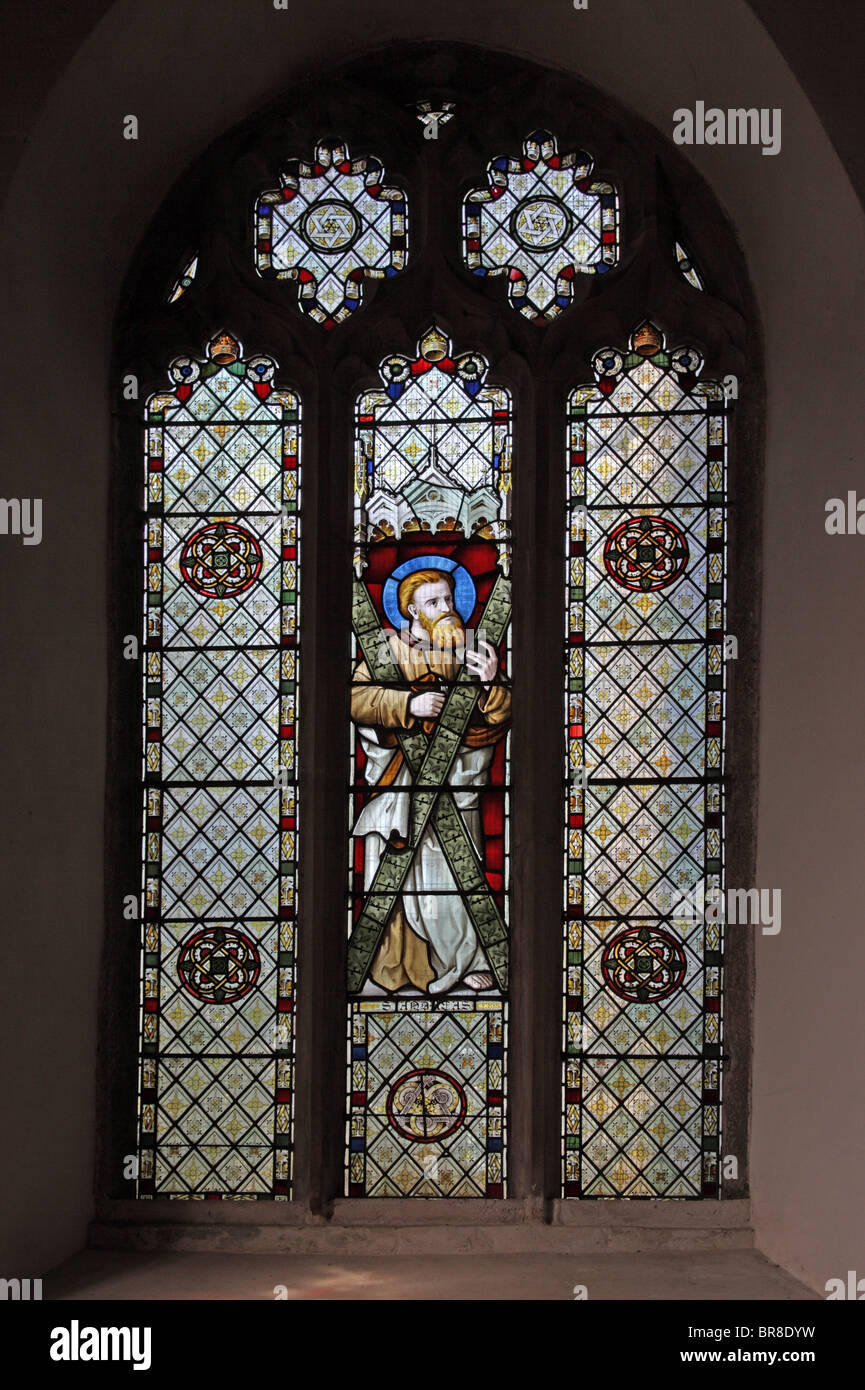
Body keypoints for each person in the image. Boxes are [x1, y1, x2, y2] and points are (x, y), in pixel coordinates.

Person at [351, 568, 510, 993]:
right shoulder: (387, 651)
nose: (447, 610)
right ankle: (398, 963)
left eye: (450, 600)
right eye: (434, 603)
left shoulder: (471, 651)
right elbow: (356, 698)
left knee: (456, 878)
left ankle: (462, 958)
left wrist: (492, 683)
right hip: (400, 782)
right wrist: (409, 704)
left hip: (458, 788)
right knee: (399, 879)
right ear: (411, 611)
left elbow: (498, 717)